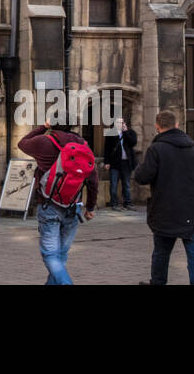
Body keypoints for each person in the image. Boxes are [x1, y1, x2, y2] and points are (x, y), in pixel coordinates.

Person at [132, 109, 194, 285]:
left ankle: (158, 282)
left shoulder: (156, 149)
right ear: (176, 125)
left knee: (162, 250)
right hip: (192, 207)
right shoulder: (192, 148)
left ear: (157, 127)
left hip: (166, 207)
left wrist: (138, 168)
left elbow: (143, 177)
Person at [19, 120, 99, 285]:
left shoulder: (44, 142)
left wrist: (43, 127)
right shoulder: (83, 145)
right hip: (73, 205)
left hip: (48, 204)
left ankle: (65, 283)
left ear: (52, 125)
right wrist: (90, 207)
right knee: (61, 254)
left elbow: (22, 143)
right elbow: (93, 179)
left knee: (50, 254)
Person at [102, 117, 137, 210]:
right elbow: (106, 149)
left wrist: (125, 132)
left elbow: (133, 143)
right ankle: (114, 203)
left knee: (126, 184)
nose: (119, 124)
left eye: (121, 122)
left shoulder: (130, 133)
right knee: (113, 184)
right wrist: (106, 162)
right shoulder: (110, 133)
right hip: (114, 163)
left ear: (124, 123)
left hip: (126, 163)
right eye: (117, 122)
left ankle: (127, 203)